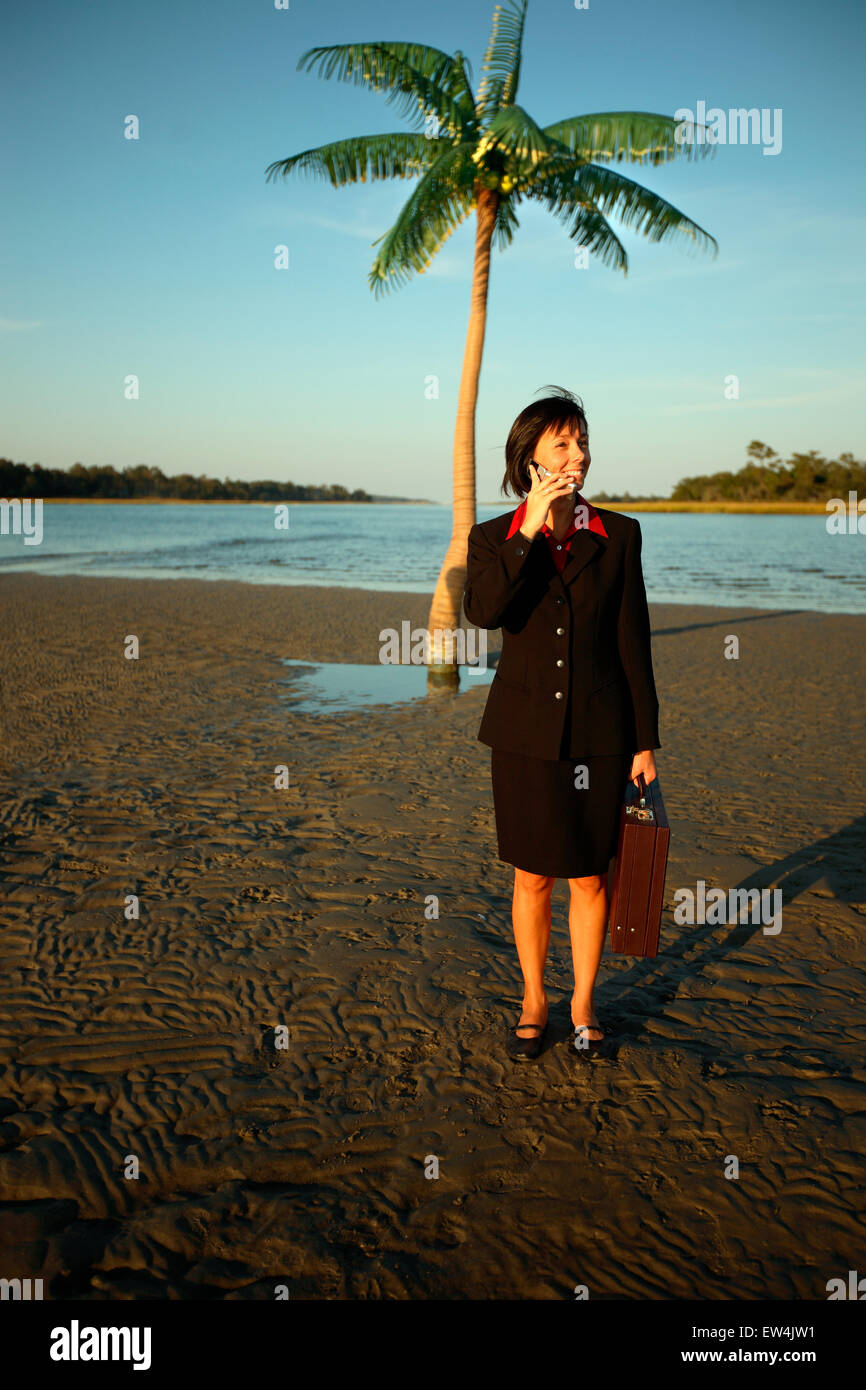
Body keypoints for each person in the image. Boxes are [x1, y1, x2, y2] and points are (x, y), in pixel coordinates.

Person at [463, 386, 660, 1060]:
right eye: (563, 443)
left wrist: (644, 742)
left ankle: (582, 1003)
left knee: (591, 877)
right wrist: (528, 532)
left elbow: (633, 643)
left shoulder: (619, 535)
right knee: (531, 877)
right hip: (522, 735)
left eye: (582, 441)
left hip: (601, 734)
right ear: (531, 460)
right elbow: (484, 612)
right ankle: (533, 1000)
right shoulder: (493, 537)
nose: (578, 454)